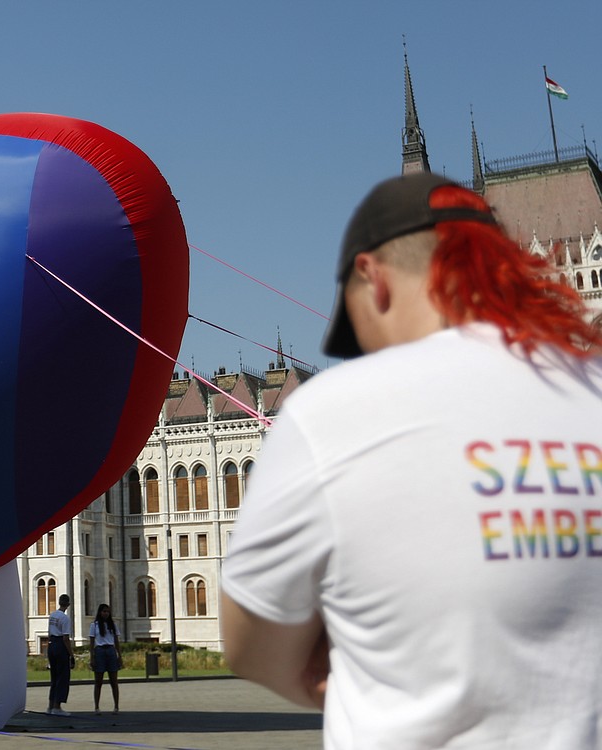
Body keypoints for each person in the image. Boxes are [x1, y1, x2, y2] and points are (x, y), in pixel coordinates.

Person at [221, 172, 602, 749]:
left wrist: (363, 670)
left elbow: (250, 643)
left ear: (373, 281)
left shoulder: (330, 413)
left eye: (357, 332)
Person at [88, 603, 121, 714]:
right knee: (98, 681)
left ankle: (116, 706)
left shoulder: (113, 625)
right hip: (100, 651)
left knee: (114, 681)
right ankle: (96, 707)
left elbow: (116, 641)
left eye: (107, 611)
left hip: (111, 651)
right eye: (104, 611)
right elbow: (92, 642)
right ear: (100, 612)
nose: (106, 613)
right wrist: (92, 657)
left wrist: (119, 656)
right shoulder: (95, 625)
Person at [46, 593, 73, 715]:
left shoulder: (52, 615)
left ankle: (50, 705)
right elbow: (65, 638)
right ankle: (57, 707)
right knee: (62, 677)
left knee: (54, 676)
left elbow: (49, 633)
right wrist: (71, 654)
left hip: (52, 644)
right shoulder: (65, 618)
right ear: (68, 604)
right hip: (60, 646)